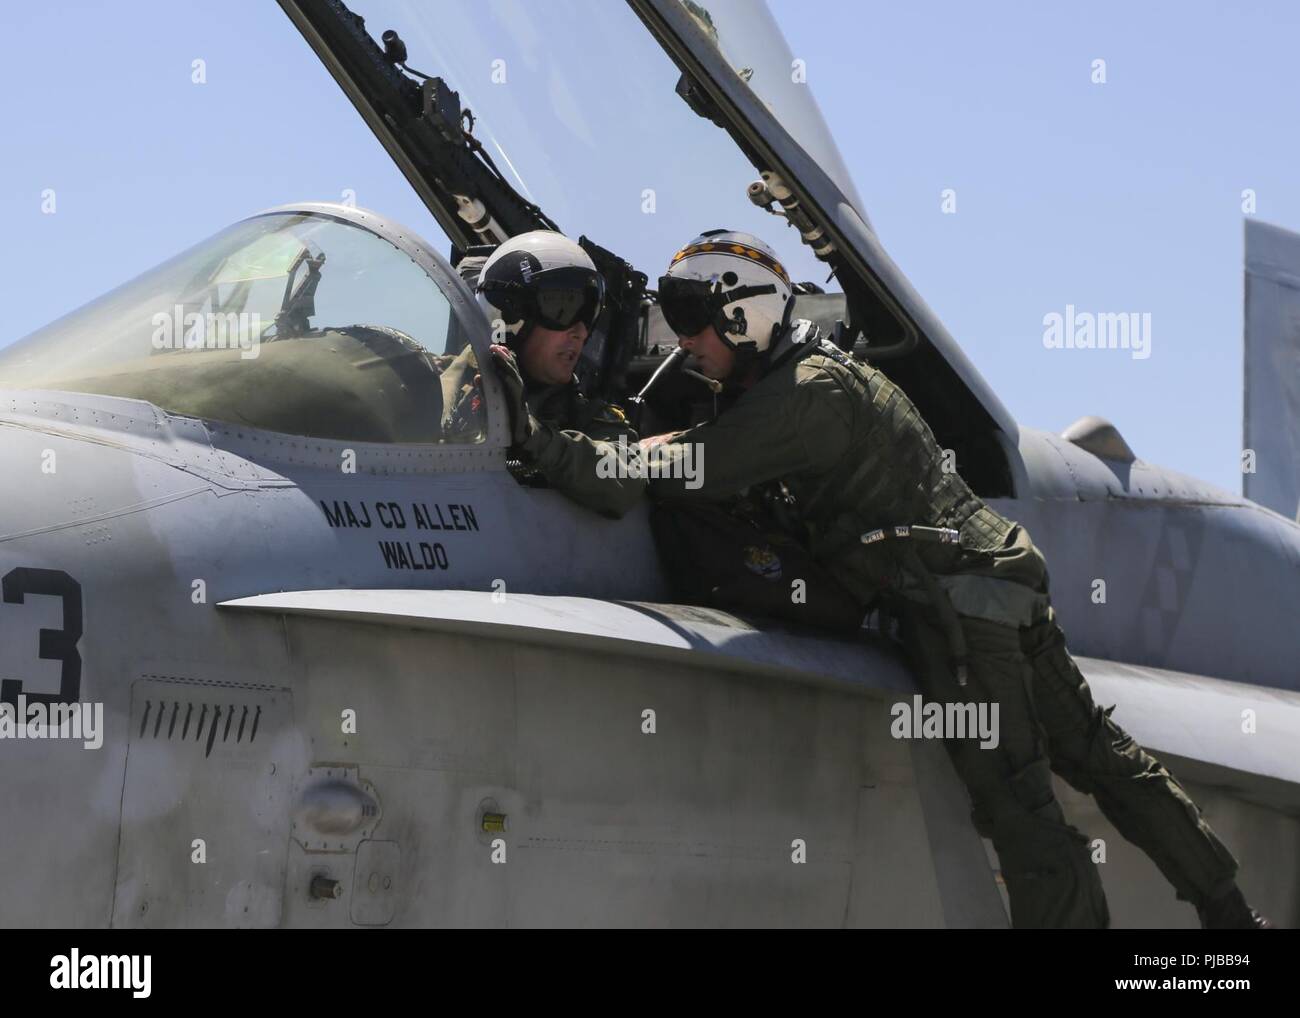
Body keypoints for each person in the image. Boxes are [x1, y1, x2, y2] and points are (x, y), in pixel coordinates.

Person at [643, 228, 1269, 929]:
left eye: (694, 320)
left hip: (959, 608)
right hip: (997, 579)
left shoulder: (802, 393)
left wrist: (584, 455)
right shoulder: (827, 372)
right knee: (1101, 757)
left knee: (1017, 804)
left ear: (740, 312)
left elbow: (696, 467)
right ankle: (1232, 920)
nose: (681, 340)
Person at [465, 230, 644, 518]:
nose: (582, 332)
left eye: (589, 313)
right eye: (564, 309)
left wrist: (534, 438)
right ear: (508, 314)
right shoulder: (433, 382)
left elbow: (625, 478)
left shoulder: (591, 419)